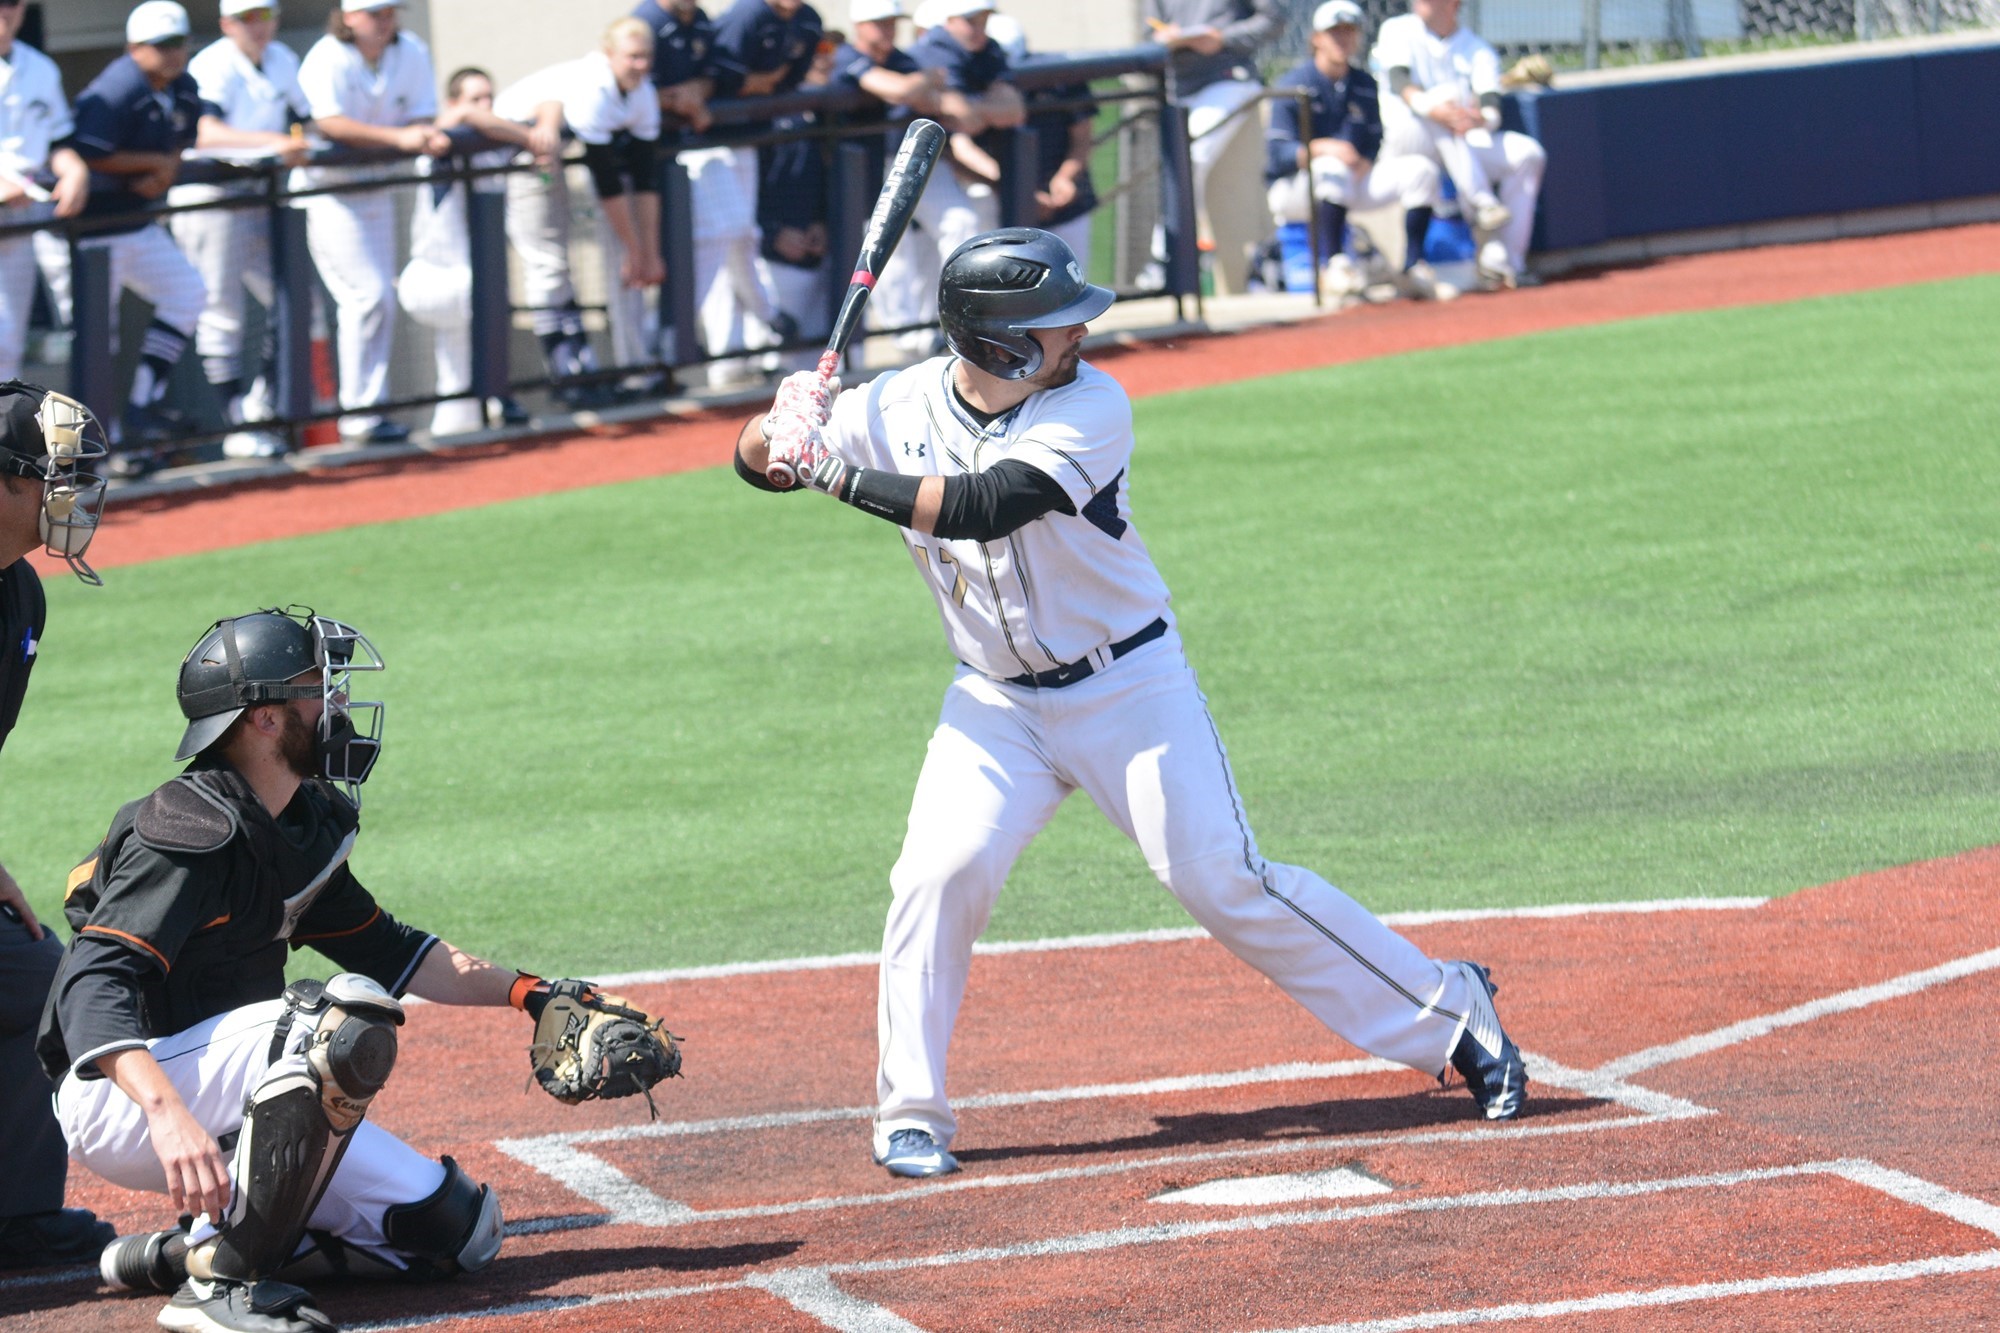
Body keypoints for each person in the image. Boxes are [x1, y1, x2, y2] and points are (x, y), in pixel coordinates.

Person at [738, 227, 1527, 1178]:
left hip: (1128, 686)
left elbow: (988, 502)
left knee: (1223, 879)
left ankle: (1451, 1009)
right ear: (999, 343)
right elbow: (753, 460)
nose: (1081, 333)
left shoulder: (1093, 406)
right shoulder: (899, 402)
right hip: (994, 703)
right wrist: (781, 427)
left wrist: (831, 470)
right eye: (1058, 322)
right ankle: (910, 1111)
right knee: (934, 876)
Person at [38, 607, 603, 1332]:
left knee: (458, 1231)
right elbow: (92, 982)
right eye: (317, 686)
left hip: (225, 1093)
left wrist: (530, 992)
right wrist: (166, 1112)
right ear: (266, 720)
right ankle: (216, 1286)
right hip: (121, 1097)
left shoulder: (300, 823)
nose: (335, 702)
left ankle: (173, 1254)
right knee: (325, 1022)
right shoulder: (187, 826)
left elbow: (396, 949)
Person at [0, 384, 111, 1270]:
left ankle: (16, 1214)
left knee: (47, 980)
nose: (75, 497)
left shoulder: (19, 598)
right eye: (56, 478)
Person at [296, 0, 448, 445]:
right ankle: (360, 414)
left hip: (379, 188)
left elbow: (421, 112)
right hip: (330, 191)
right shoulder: (327, 55)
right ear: (349, 17)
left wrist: (420, 132)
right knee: (368, 295)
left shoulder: (410, 50)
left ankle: (369, 409)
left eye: (390, 12)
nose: (386, 21)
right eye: (375, 13)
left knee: (381, 297)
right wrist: (399, 137)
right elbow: (328, 123)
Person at [494, 17, 667, 407]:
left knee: (598, 264)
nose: (640, 65)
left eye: (646, 57)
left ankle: (615, 369)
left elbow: (643, 176)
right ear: (609, 54)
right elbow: (606, 178)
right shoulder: (594, 86)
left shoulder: (640, 92)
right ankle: (566, 372)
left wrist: (647, 251)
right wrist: (637, 250)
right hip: (513, 155)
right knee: (548, 264)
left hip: (557, 153)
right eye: (632, 56)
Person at [69, 0, 210, 478]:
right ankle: (89, 451)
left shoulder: (183, 85)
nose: (172, 54)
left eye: (178, 43)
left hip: (138, 225)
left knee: (187, 292)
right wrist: (153, 165)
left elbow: (182, 138)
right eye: (160, 46)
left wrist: (165, 163)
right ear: (134, 48)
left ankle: (141, 408)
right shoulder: (117, 85)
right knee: (94, 341)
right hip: (91, 235)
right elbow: (86, 153)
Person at [171, 0, 312, 461]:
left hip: (255, 195)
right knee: (221, 313)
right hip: (208, 197)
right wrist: (280, 143)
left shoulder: (282, 59)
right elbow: (205, 134)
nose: (259, 25)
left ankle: (256, 406)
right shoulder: (212, 62)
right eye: (248, 17)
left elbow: (305, 121)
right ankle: (236, 421)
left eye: (265, 15)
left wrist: (294, 142)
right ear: (228, 24)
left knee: (293, 302)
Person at [1267, 0, 1452, 301]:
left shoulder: (1363, 83)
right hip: (1295, 188)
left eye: (1349, 32)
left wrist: (1365, 160)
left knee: (1421, 170)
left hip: (1350, 182)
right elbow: (1278, 154)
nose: (1343, 39)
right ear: (1316, 38)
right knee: (1331, 166)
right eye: (1334, 32)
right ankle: (1335, 264)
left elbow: (1374, 138)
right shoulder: (1293, 84)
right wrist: (1322, 148)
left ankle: (1412, 266)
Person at [399, 66, 536, 436]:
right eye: (475, 99)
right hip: (431, 279)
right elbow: (451, 124)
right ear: (454, 103)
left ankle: (464, 421)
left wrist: (529, 133)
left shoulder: (495, 142)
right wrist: (525, 134)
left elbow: (550, 108)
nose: (485, 107)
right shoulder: (440, 141)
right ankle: (496, 395)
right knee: (480, 296)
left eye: (489, 98)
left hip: (468, 278)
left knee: (457, 373)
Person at [1371, 0, 1545, 290]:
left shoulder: (1478, 49)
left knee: (1527, 153)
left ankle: (1509, 263)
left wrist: (1477, 118)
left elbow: (1491, 109)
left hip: (1459, 141)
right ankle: (1481, 203)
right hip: (1408, 138)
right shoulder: (1397, 29)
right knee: (1444, 100)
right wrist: (1439, 109)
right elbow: (1400, 82)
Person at [697, 0, 821, 380]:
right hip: (706, 144)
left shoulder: (807, 19)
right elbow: (718, 80)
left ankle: (764, 326)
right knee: (719, 242)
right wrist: (751, 83)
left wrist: (758, 83)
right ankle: (680, 351)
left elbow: (784, 82)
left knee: (742, 238)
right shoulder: (746, 15)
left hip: (747, 139)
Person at [895, 1, 1024, 349]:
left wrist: (976, 108)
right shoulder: (934, 48)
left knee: (948, 236)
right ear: (947, 20)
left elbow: (1012, 109)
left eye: (983, 19)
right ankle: (953, 322)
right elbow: (962, 117)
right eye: (970, 20)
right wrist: (983, 108)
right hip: (902, 162)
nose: (978, 27)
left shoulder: (986, 48)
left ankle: (946, 329)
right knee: (943, 233)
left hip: (943, 163)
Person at [1141, 0, 1281, 289]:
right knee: (1175, 163)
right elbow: (1149, 34)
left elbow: (1274, 19)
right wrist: (1165, 37)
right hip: (1177, 85)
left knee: (1192, 157)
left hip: (1228, 78)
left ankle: (1164, 256)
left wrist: (1222, 38)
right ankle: (1258, 258)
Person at [0, 5, 89, 386]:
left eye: (11, 1)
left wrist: (74, 168)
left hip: (29, 213)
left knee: (11, 340)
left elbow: (57, 140)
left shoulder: (39, 68)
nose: (4, 11)